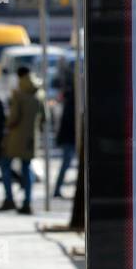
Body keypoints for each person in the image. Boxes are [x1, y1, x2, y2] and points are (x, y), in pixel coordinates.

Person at [0, 66, 44, 215]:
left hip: (15, 137)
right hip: (31, 138)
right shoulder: (39, 93)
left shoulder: (18, 94)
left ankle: (9, 199)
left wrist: (6, 126)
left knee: (5, 164)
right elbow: (45, 118)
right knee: (27, 167)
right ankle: (27, 202)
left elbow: (13, 118)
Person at [51, 69, 76, 200]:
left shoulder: (69, 99)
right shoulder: (73, 100)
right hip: (70, 138)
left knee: (66, 164)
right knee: (66, 164)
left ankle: (57, 189)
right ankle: (56, 189)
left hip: (69, 137)